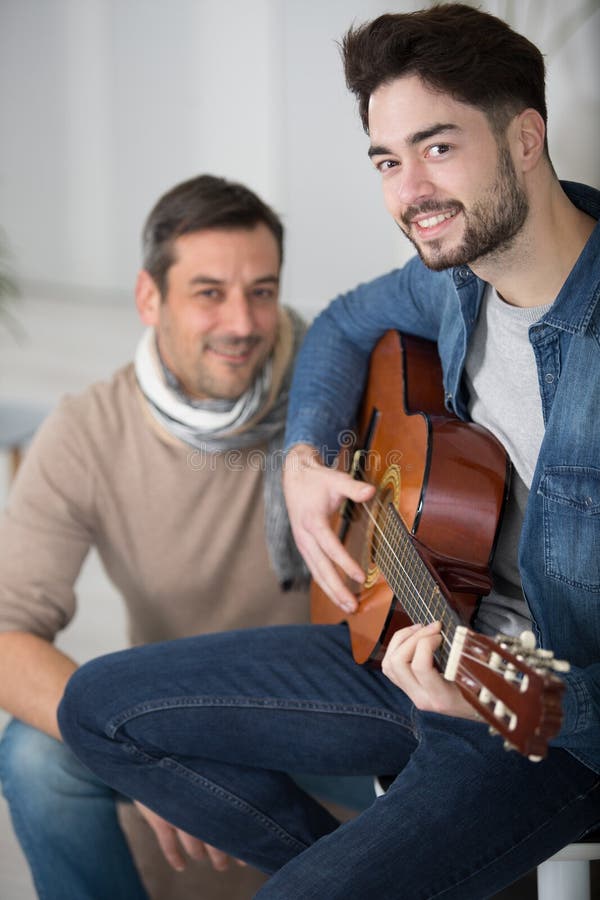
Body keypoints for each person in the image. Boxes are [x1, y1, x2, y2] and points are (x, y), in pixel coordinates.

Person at [57, 6, 600, 898]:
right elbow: (346, 324)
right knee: (99, 710)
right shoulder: (461, 282)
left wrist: (527, 700)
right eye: (388, 160)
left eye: (438, 147)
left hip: (549, 725)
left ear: (527, 138)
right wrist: (303, 460)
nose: (409, 191)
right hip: (422, 641)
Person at [0, 174, 314, 900]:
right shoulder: (88, 429)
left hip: (327, 715)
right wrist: (132, 753)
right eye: (209, 292)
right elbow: (8, 635)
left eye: (262, 291)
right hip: (177, 716)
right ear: (151, 298)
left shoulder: (330, 384)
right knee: (32, 757)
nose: (242, 321)